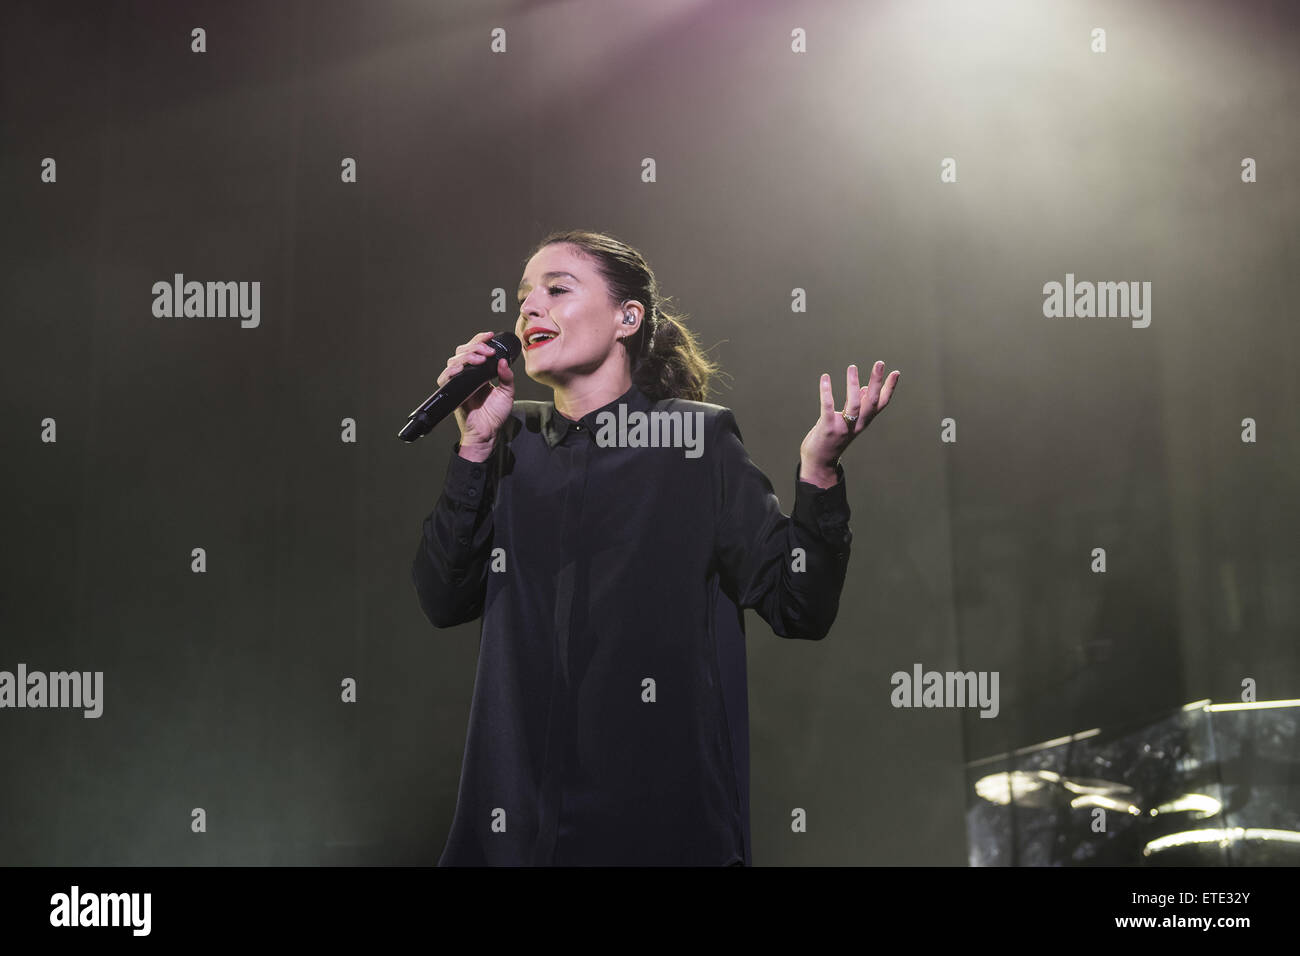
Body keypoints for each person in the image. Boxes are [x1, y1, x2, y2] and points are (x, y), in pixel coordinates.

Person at [411, 229, 900, 865]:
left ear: (627, 317)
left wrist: (820, 474)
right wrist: (472, 446)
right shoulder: (509, 444)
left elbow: (798, 605)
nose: (529, 308)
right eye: (523, 297)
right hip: (516, 829)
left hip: (659, 829)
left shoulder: (697, 441)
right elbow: (442, 597)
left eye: (557, 289)